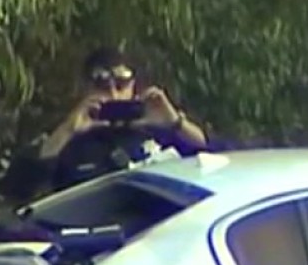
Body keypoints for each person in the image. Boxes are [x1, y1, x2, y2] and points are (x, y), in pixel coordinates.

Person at [23, 46, 210, 196]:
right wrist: (68, 130)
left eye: (121, 86)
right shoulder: (69, 137)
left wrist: (175, 122)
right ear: (87, 89)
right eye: (102, 86)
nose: (113, 94)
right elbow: (23, 185)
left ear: (133, 86)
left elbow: (216, 157)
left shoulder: (157, 129)